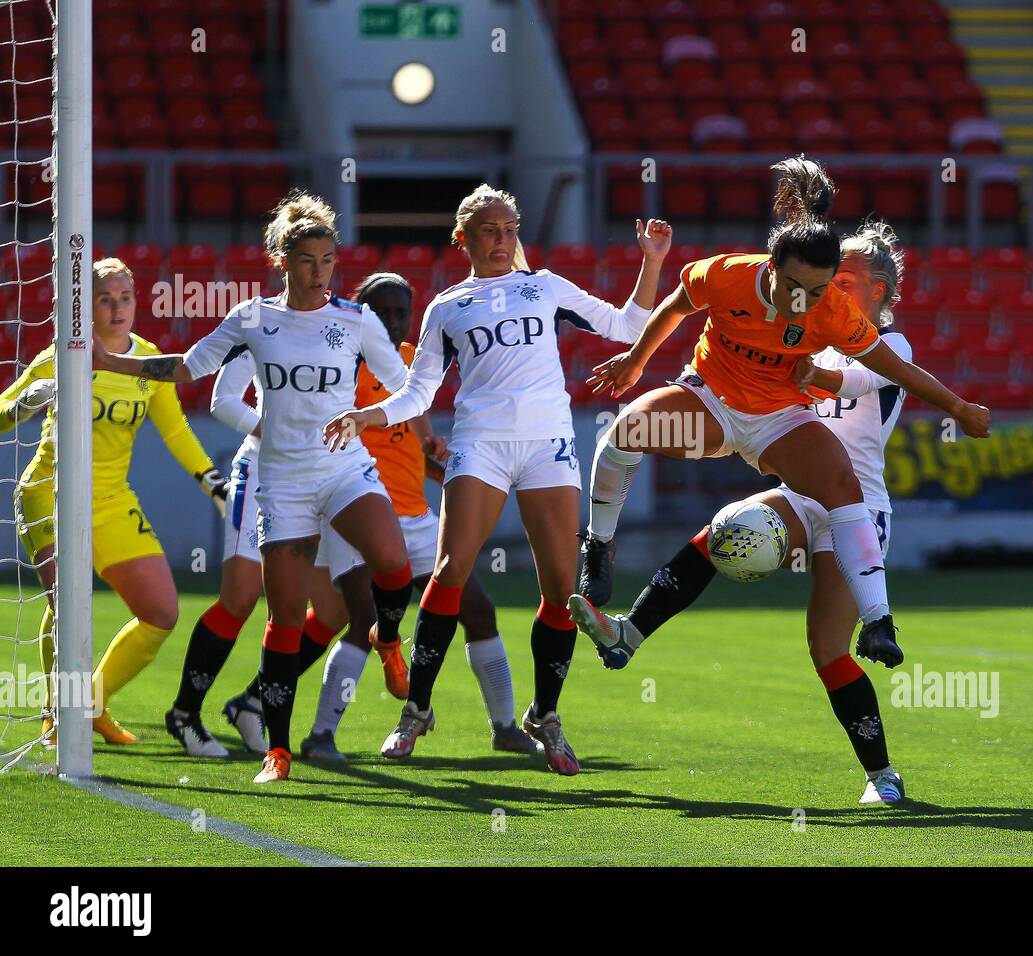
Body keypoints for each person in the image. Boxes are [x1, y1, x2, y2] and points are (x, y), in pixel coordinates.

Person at [574, 157, 988, 669]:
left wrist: (959, 406)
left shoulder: (834, 314)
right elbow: (676, 306)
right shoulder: (728, 274)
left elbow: (891, 368)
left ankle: (879, 621)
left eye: (820, 290)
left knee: (842, 486)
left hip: (779, 419)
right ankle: (598, 546)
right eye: (798, 288)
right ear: (771, 268)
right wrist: (636, 362)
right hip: (712, 401)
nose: (806, 301)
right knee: (624, 432)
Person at [323, 184, 672, 774]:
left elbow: (625, 322)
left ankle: (546, 715)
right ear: (463, 239)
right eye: (490, 230)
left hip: (547, 444)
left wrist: (653, 261)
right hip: (480, 442)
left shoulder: (545, 286)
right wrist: (368, 414)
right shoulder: (447, 307)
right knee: (449, 571)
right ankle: (417, 710)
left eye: (510, 229)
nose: (502, 240)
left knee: (563, 589)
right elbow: (418, 392)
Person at [569, 221, 912, 803]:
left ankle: (882, 776)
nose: (831, 290)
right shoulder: (808, 322)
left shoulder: (890, 345)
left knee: (827, 650)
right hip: (801, 494)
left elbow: (851, 379)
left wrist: (815, 372)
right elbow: (745, 313)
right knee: (727, 535)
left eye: (845, 280)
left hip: (859, 507)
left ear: (879, 292)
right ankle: (628, 633)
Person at [94, 191, 415, 783]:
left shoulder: (355, 320)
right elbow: (191, 371)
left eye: (328, 261)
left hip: (343, 468)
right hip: (277, 480)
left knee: (390, 565)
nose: (319, 273)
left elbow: (410, 389)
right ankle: (278, 748)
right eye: (307, 261)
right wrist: (109, 364)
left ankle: (390, 639)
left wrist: (371, 418)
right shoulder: (254, 320)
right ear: (282, 262)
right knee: (280, 612)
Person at [303, 272, 538, 760]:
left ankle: (504, 726)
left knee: (477, 609)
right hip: (356, 511)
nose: (391, 321)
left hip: (413, 515)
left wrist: (435, 462)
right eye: (380, 311)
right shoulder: (338, 366)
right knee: (361, 619)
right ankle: (321, 734)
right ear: (360, 313)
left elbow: (403, 445)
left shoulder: (410, 364)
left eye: (399, 312)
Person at [1, 257, 228, 746]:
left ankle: (90, 704)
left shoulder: (146, 360)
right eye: (106, 298)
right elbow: (0, 415)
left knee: (162, 612)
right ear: (87, 307)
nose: (118, 306)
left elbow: (176, 429)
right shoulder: (61, 354)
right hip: (49, 493)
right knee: (67, 603)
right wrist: (24, 403)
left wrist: (214, 484)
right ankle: (56, 713)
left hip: (110, 498)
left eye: (125, 297)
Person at [164, 345, 360, 758]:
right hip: (262, 472)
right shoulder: (262, 325)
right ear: (285, 273)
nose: (316, 275)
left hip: (321, 476)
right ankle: (184, 713)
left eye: (324, 272)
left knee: (331, 611)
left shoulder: (345, 329)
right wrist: (277, 435)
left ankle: (251, 703)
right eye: (305, 271)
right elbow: (222, 400)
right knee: (240, 597)